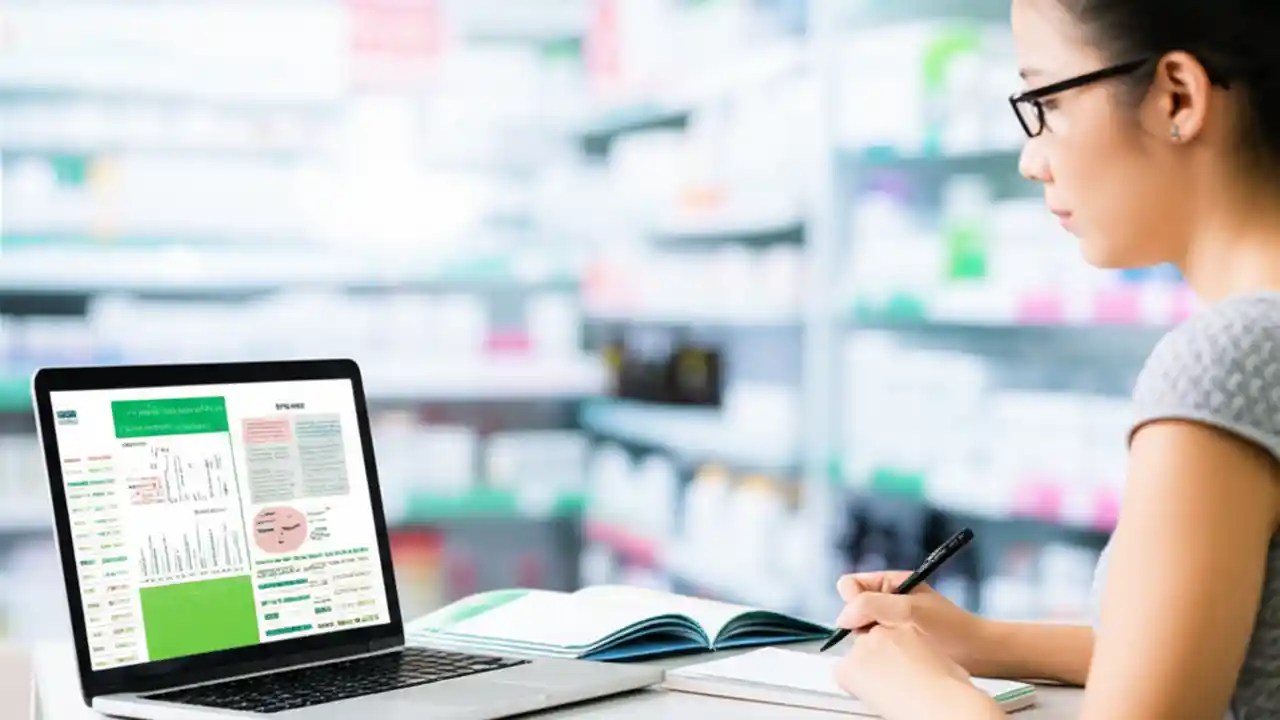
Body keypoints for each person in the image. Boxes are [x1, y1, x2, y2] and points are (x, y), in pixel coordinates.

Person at [832, 1, 1280, 718]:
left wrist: (925, 696)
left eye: (1046, 102)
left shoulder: (1226, 361)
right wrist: (985, 641)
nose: (1030, 159)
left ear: (1177, 97)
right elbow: (1227, 648)